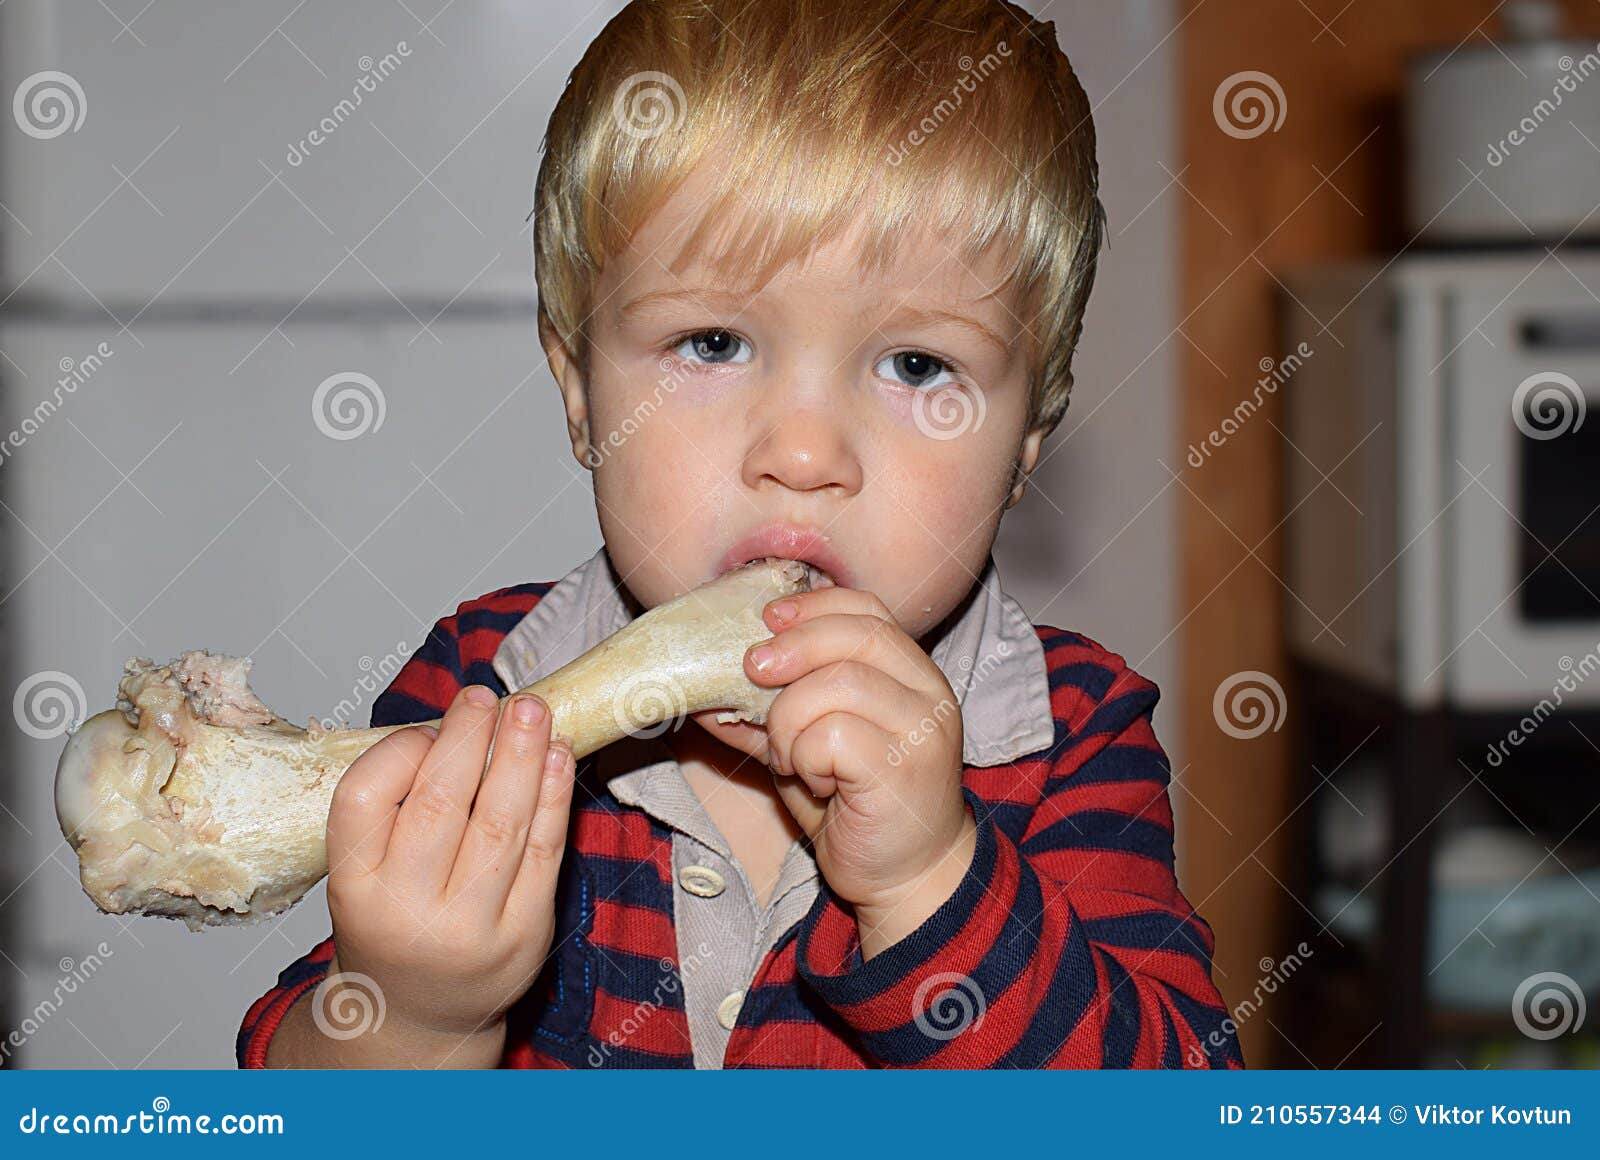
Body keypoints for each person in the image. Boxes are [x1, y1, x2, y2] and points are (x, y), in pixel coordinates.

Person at [239, 0, 1243, 1070]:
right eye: (712, 342)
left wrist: (927, 878)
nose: (804, 452)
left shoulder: (1067, 738)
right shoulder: (482, 687)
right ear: (579, 388)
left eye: (915, 365)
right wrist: (412, 1008)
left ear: (1026, 437)